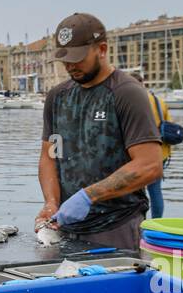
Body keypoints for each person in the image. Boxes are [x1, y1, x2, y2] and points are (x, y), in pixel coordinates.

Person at [37, 13, 164, 252]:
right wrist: (51, 203)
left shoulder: (126, 93)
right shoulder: (57, 97)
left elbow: (150, 165)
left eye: (78, 58)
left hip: (116, 226)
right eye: (65, 59)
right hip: (66, 226)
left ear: (102, 49)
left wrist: (89, 196)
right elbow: (49, 156)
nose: (70, 66)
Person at [130, 72, 174, 220]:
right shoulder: (159, 101)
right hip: (160, 153)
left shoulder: (132, 100)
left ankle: (138, 223)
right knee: (156, 191)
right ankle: (157, 223)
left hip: (137, 154)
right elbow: (169, 125)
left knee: (135, 192)